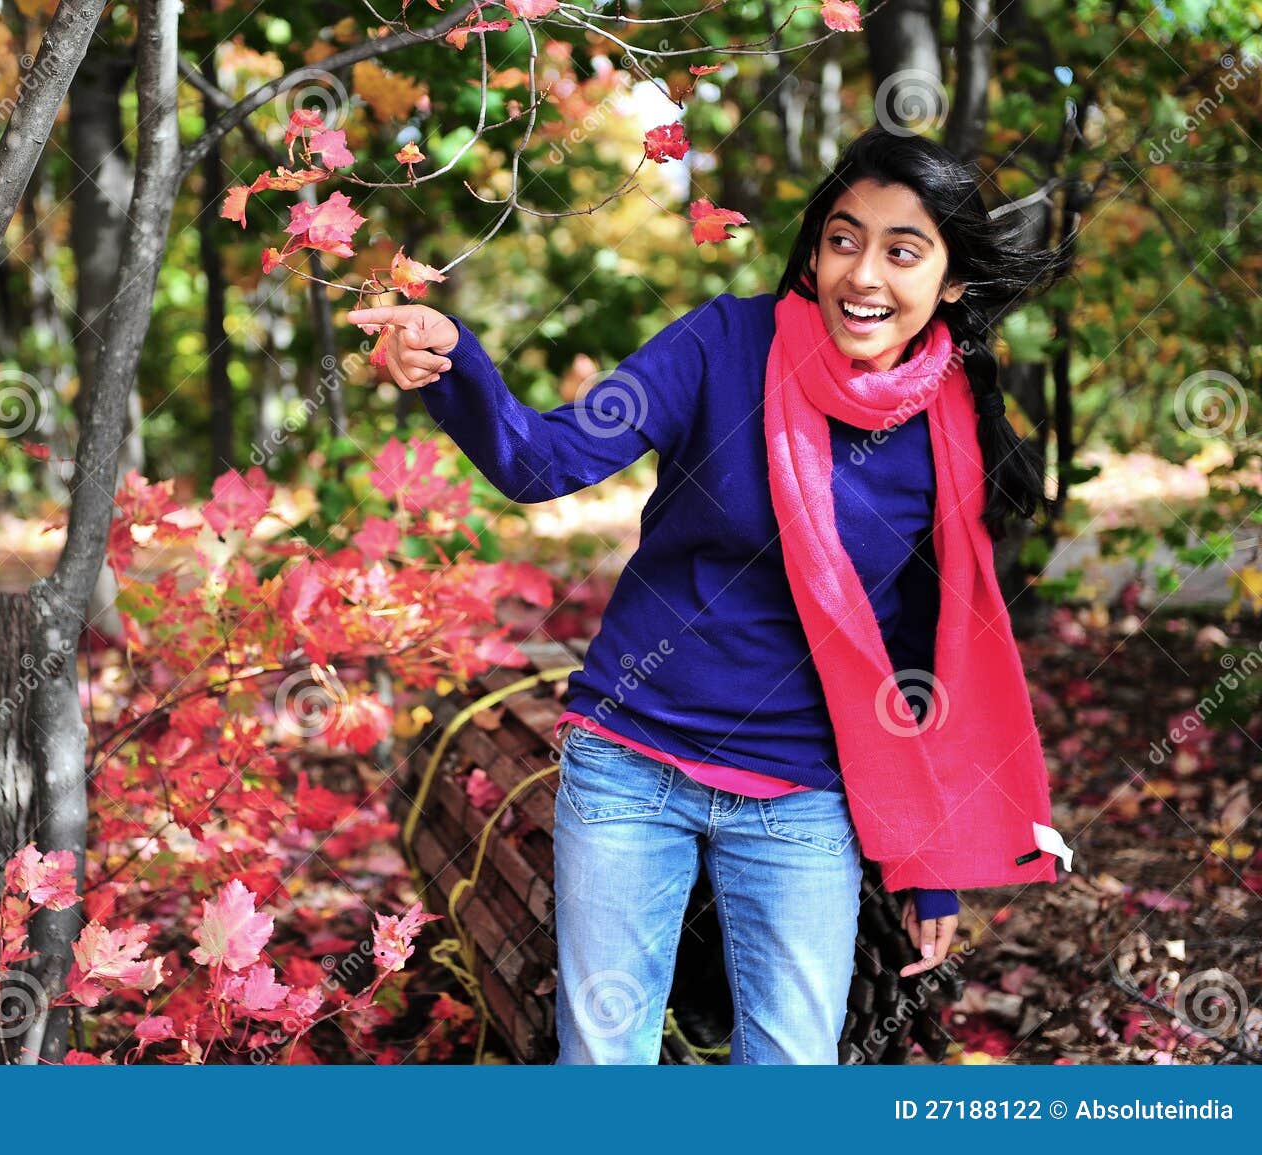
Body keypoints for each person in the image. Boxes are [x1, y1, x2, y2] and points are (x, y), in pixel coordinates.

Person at [346, 127, 1076, 1064]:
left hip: (806, 792)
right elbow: (543, 460)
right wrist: (454, 357)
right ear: (813, 250)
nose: (863, 274)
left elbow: (921, 657)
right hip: (631, 760)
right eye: (843, 238)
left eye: (904, 251)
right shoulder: (724, 344)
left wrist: (928, 864)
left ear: (951, 283)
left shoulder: (951, 425)